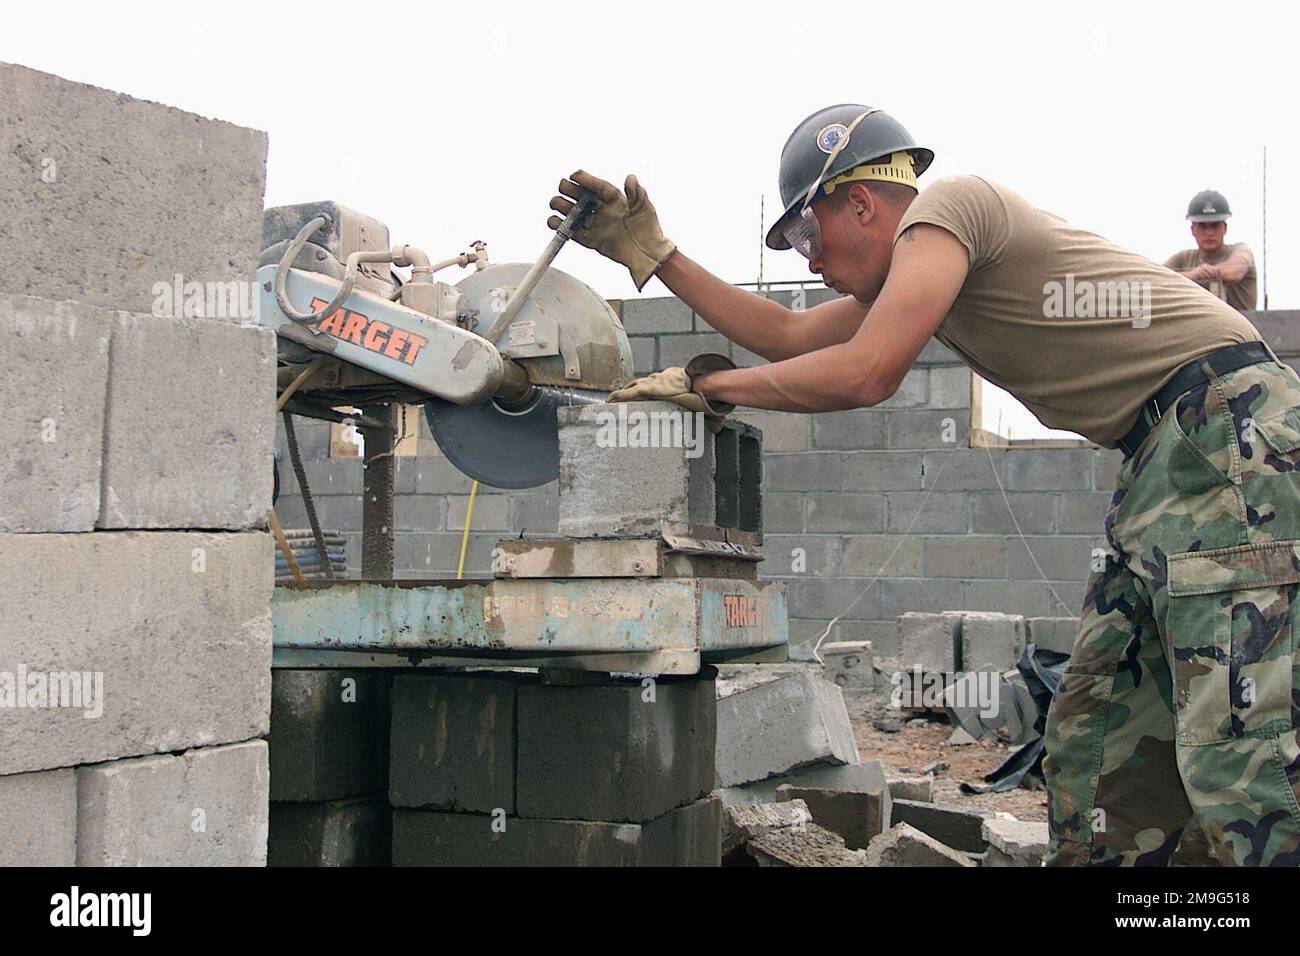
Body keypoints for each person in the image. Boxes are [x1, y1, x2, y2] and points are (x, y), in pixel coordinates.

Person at [547, 104, 1300, 866]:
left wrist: (713, 387)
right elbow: (786, 333)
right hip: (1161, 467)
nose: (808, 259)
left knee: (1246, 763)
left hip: (1230, 442)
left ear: (862, 201)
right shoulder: (931, 269)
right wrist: (658, 253)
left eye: (807, 235)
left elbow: (868, 371)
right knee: (1100, 744)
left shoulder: (950, 208)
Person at [1165, 189, 1258, 312]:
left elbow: (1234, 271)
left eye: (1215, 225)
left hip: (1239, 326)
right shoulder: (1182, 258)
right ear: (1193, 230)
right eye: (1202, 226)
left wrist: (1206, 274)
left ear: (1224, 228)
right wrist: (1193, 275)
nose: (1209, 232)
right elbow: (1156, 279)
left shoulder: (1239, 250)